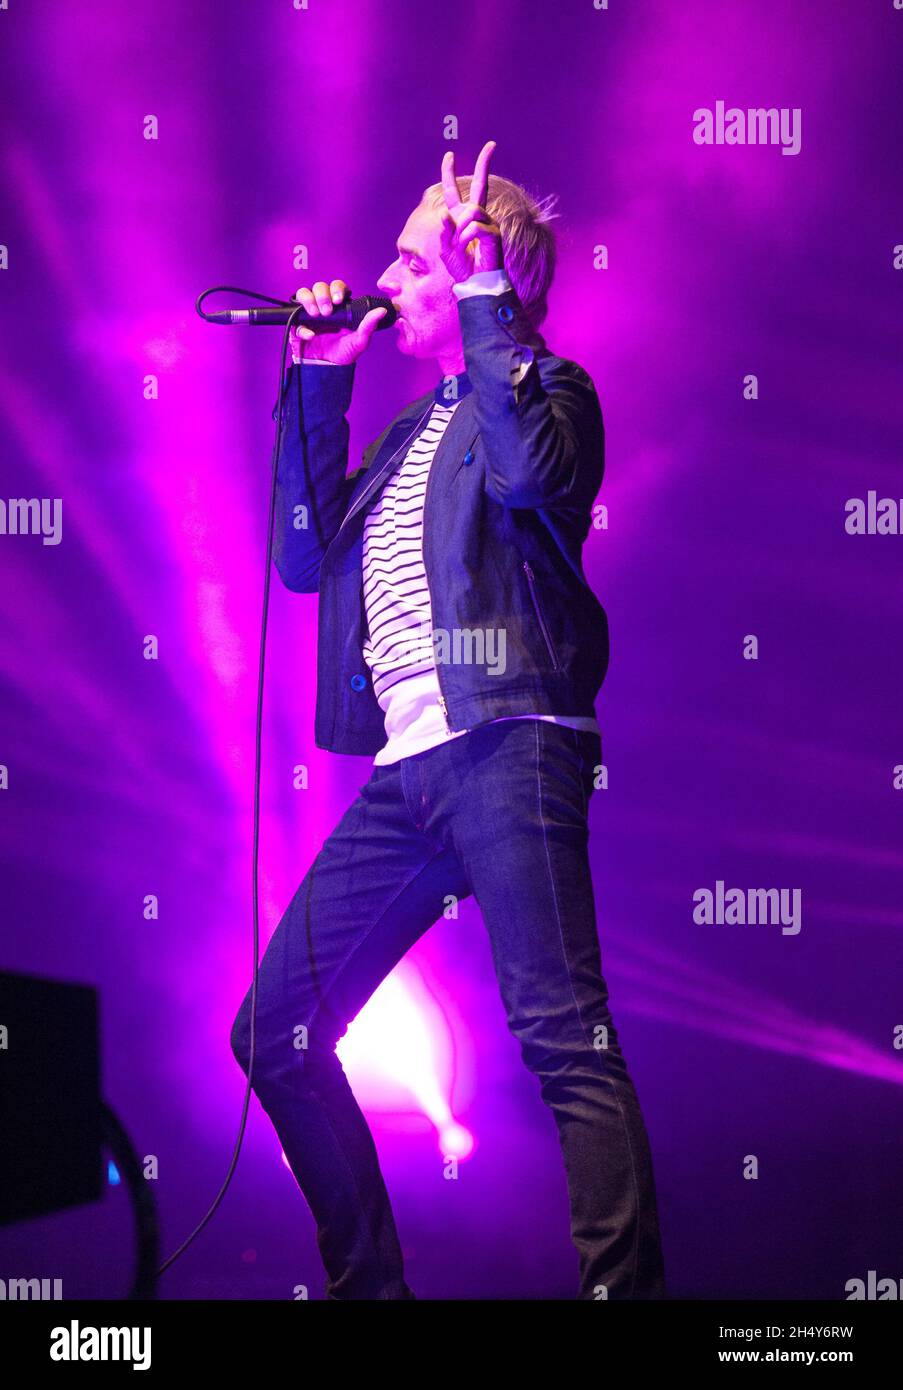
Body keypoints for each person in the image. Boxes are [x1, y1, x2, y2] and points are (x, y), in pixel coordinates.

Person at [230, 141, 666, 1301]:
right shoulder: (403, 438)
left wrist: (486, 297)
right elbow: (302, 556)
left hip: (512, 738)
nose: (390, 277)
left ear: (485, 277)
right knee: (273, 1032)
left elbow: (526, 479)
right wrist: (322, 373)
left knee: (562, 1035)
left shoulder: (551, 395)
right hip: (408, 772)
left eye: (420, 262)